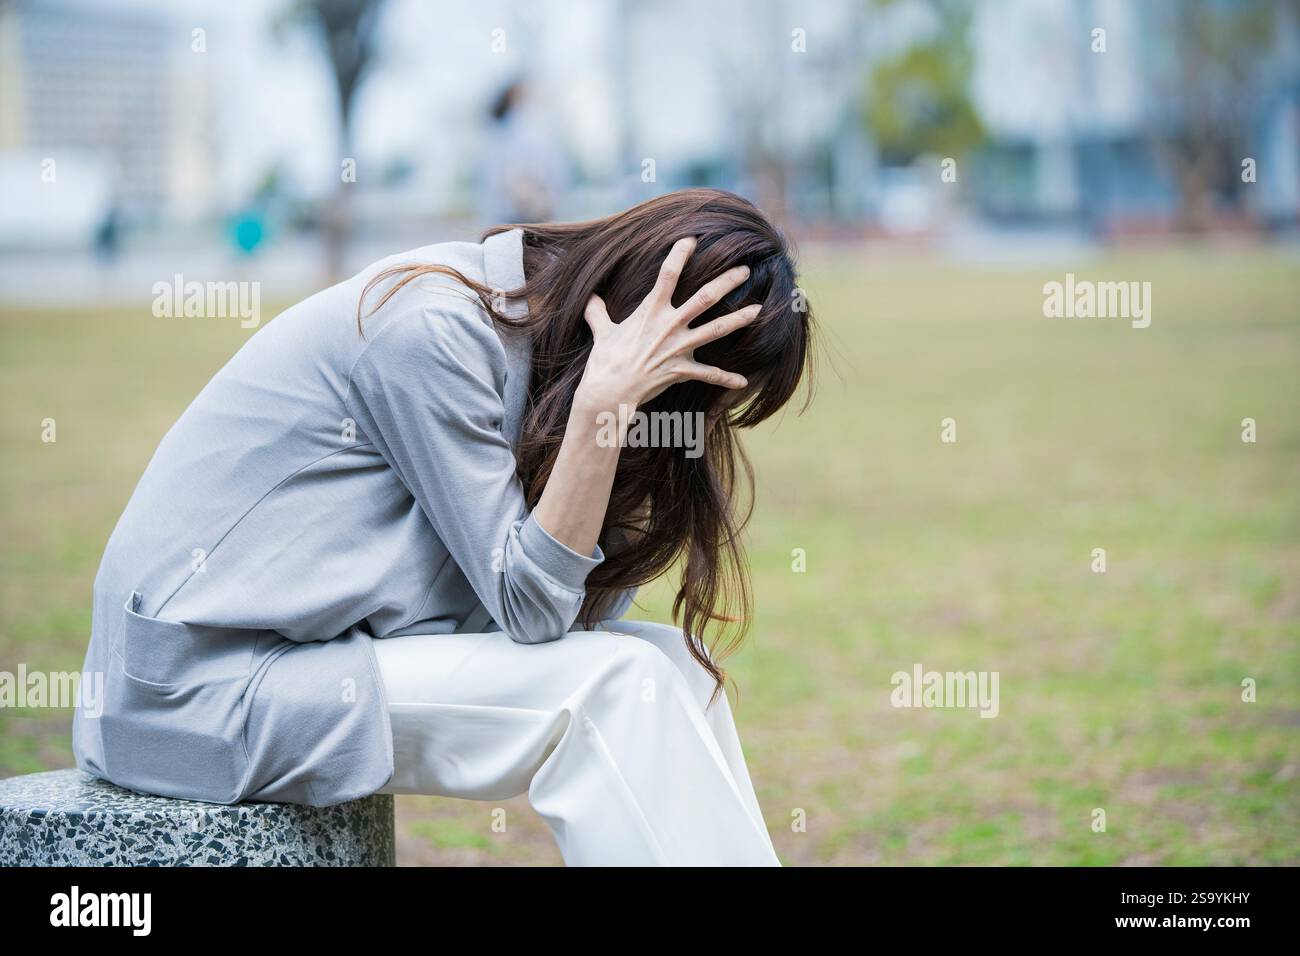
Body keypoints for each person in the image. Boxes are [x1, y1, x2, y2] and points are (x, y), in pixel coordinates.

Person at [71, 188, 815, 866]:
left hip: (303, 663)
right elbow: (532, 612)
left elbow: (582, 608)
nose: (693, 423)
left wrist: (623, 439)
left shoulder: (541, 357)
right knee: (615, 687)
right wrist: (604, 413)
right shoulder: (437, 329)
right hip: (186, 693)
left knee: (675, 669)